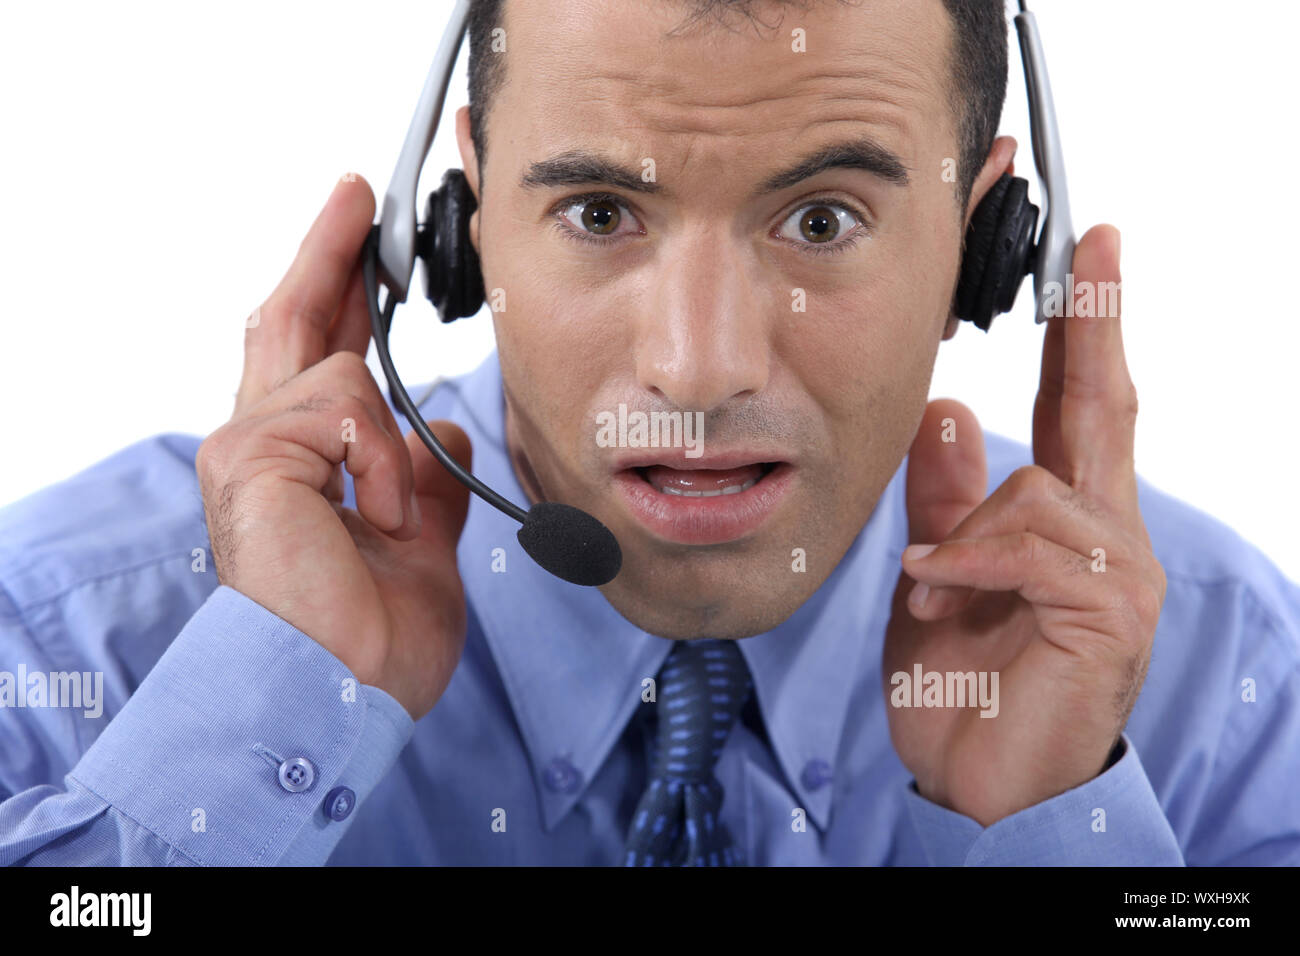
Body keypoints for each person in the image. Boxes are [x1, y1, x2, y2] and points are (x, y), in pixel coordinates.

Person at [1, 0, 1297, 866]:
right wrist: (273, 708)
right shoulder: (64, 639)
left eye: (825, 221)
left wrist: (1060, 826)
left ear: (990, 251)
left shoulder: (1225, 687)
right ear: (452, 235)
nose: (699, 365)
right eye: (602, 213)